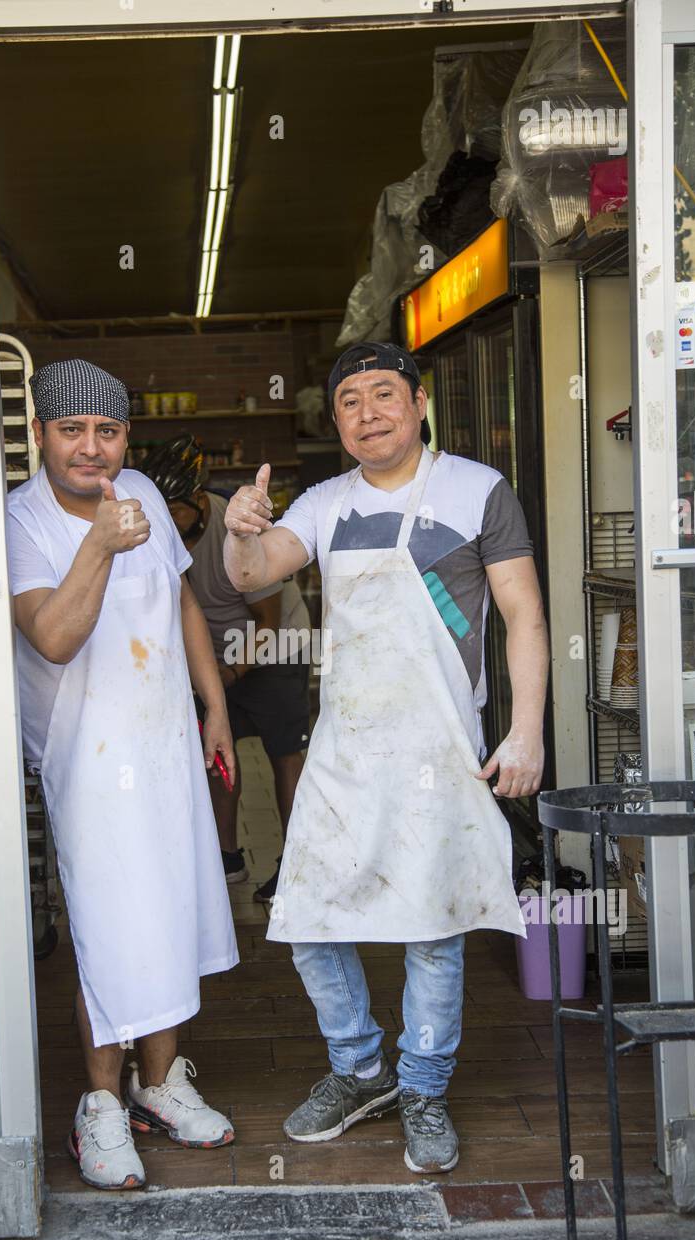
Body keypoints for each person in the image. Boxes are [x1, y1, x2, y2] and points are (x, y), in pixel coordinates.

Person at [223, 341, 549, 1176]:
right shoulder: (325, 504)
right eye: (350, 403)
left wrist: (527, 732)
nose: (369, 413)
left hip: (443, 752)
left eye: (384, 394)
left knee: (433, 927)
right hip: (345, 749)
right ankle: (359, 1066)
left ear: (419, 400)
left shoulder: (477, 491)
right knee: (305, 915)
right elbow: (254, 571)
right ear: (336, 423)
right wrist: (237, 532)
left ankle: (424, 1087)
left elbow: (525, 617)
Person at [6, 359, 239, 1192]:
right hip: (87, 752)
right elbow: (55, 637)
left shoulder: (137, 487)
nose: (91, 449)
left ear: (125, 438)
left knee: (172, 907)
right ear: (40, 435)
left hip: (163, 735)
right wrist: (100, 544)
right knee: (108, 923)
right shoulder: (22, 523)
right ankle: (101, 1104)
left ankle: (161, 1083)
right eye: (72, 430)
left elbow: (180, 603)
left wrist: (213, 706)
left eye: (106, 432)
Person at [140, 434, 311, 903]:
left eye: (174, 509)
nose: (166, 521)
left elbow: (269, 624)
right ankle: (227, 858)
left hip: (273, 646)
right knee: (218, 755)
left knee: (284, 754)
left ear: (197, 499)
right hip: (214, 655)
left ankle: (296, 866)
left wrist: (229, 674)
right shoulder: (156, 534)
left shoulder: (235, 531)